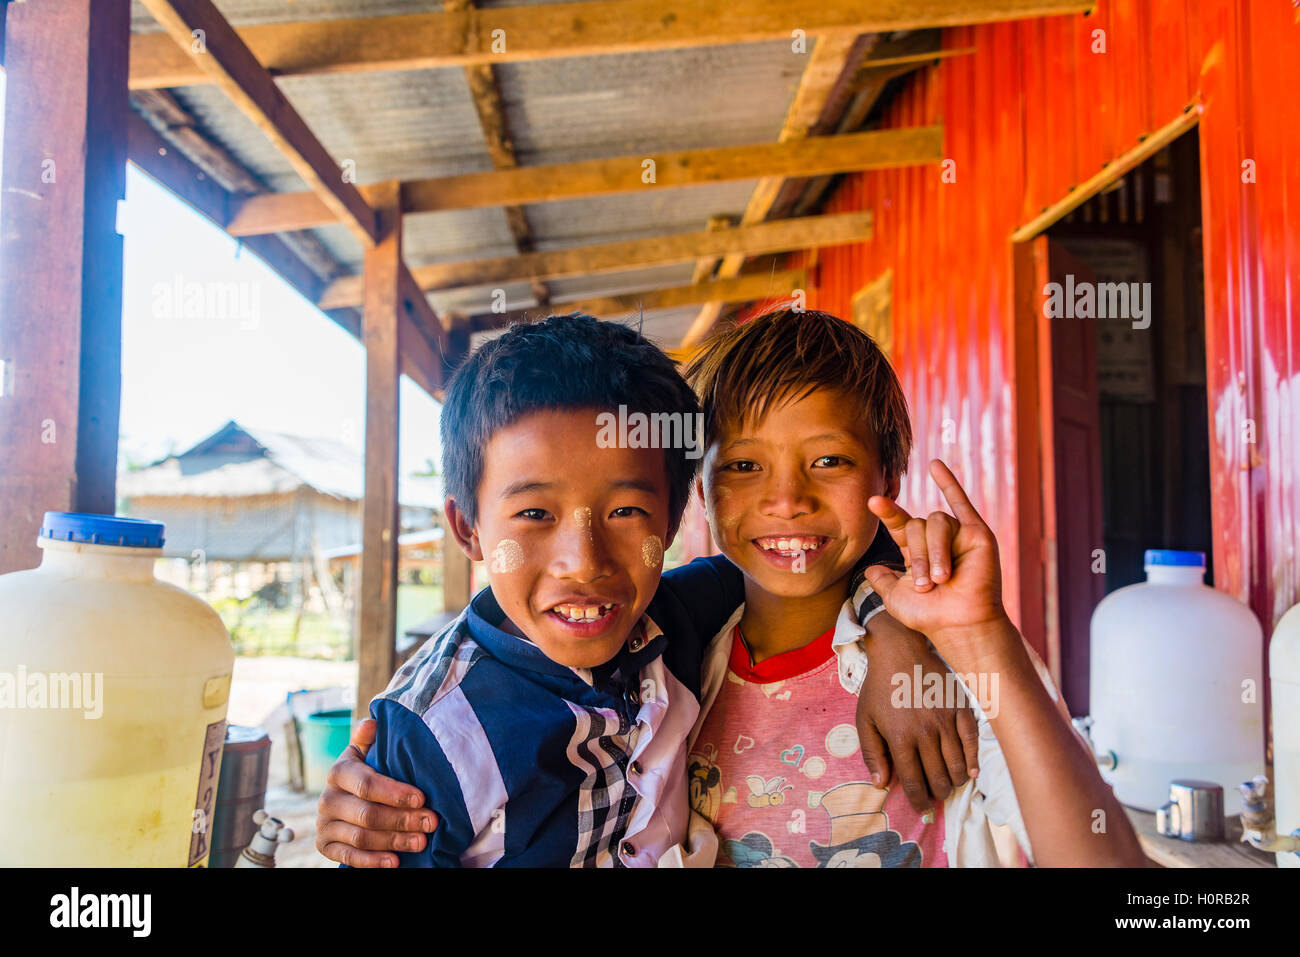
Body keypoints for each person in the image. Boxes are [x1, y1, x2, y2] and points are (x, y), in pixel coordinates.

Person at [334, 313, 977, 867]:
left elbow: (819, 551)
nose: (582, 564)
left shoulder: (672, 621)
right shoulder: (432, 740)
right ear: (467, 528)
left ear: (672, 521)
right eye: (535, 515)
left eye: (625, 512)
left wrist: (891, 629)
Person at [677, 309, 1146, 866]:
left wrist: (979, 639)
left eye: (829, 460)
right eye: (744, 464)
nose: (788, 499)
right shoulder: (674, 672)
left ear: (889, 479)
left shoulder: (954, 665)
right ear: (702, 492)